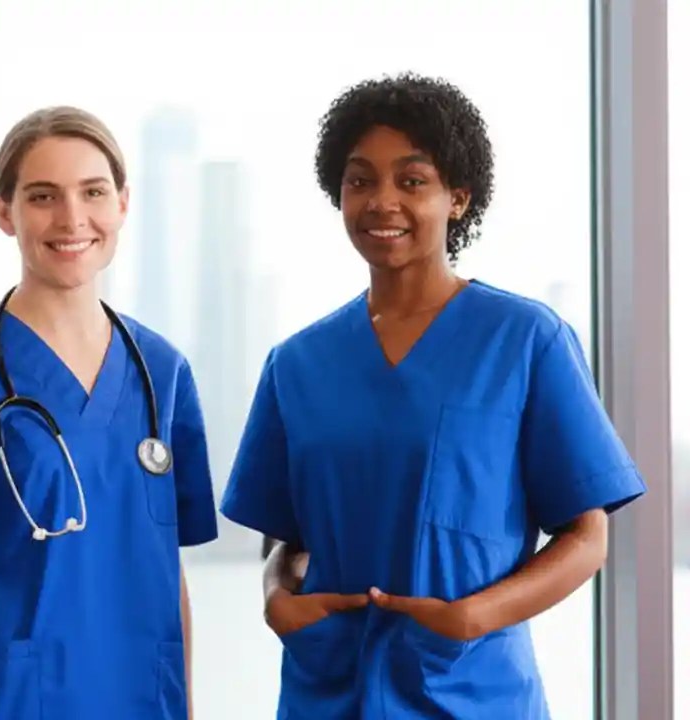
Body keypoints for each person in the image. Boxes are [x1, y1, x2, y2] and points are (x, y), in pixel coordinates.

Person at [220, 72, 646, 719]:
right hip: (330, 693)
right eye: (360, 180)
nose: (381, 201)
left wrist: (473, 617)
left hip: (471, 692)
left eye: (411, 181)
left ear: (458, 198)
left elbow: (588, 537)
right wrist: (278, 599)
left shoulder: (526, 340)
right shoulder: (298, 363)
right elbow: (285, 540)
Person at [0, 106, 218, 720]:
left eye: (93, 192)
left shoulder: (163, 372)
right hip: (3, 703)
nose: (72, 218)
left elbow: (166, 576)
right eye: (43, 196)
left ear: (123, 204)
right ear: (5, 212)